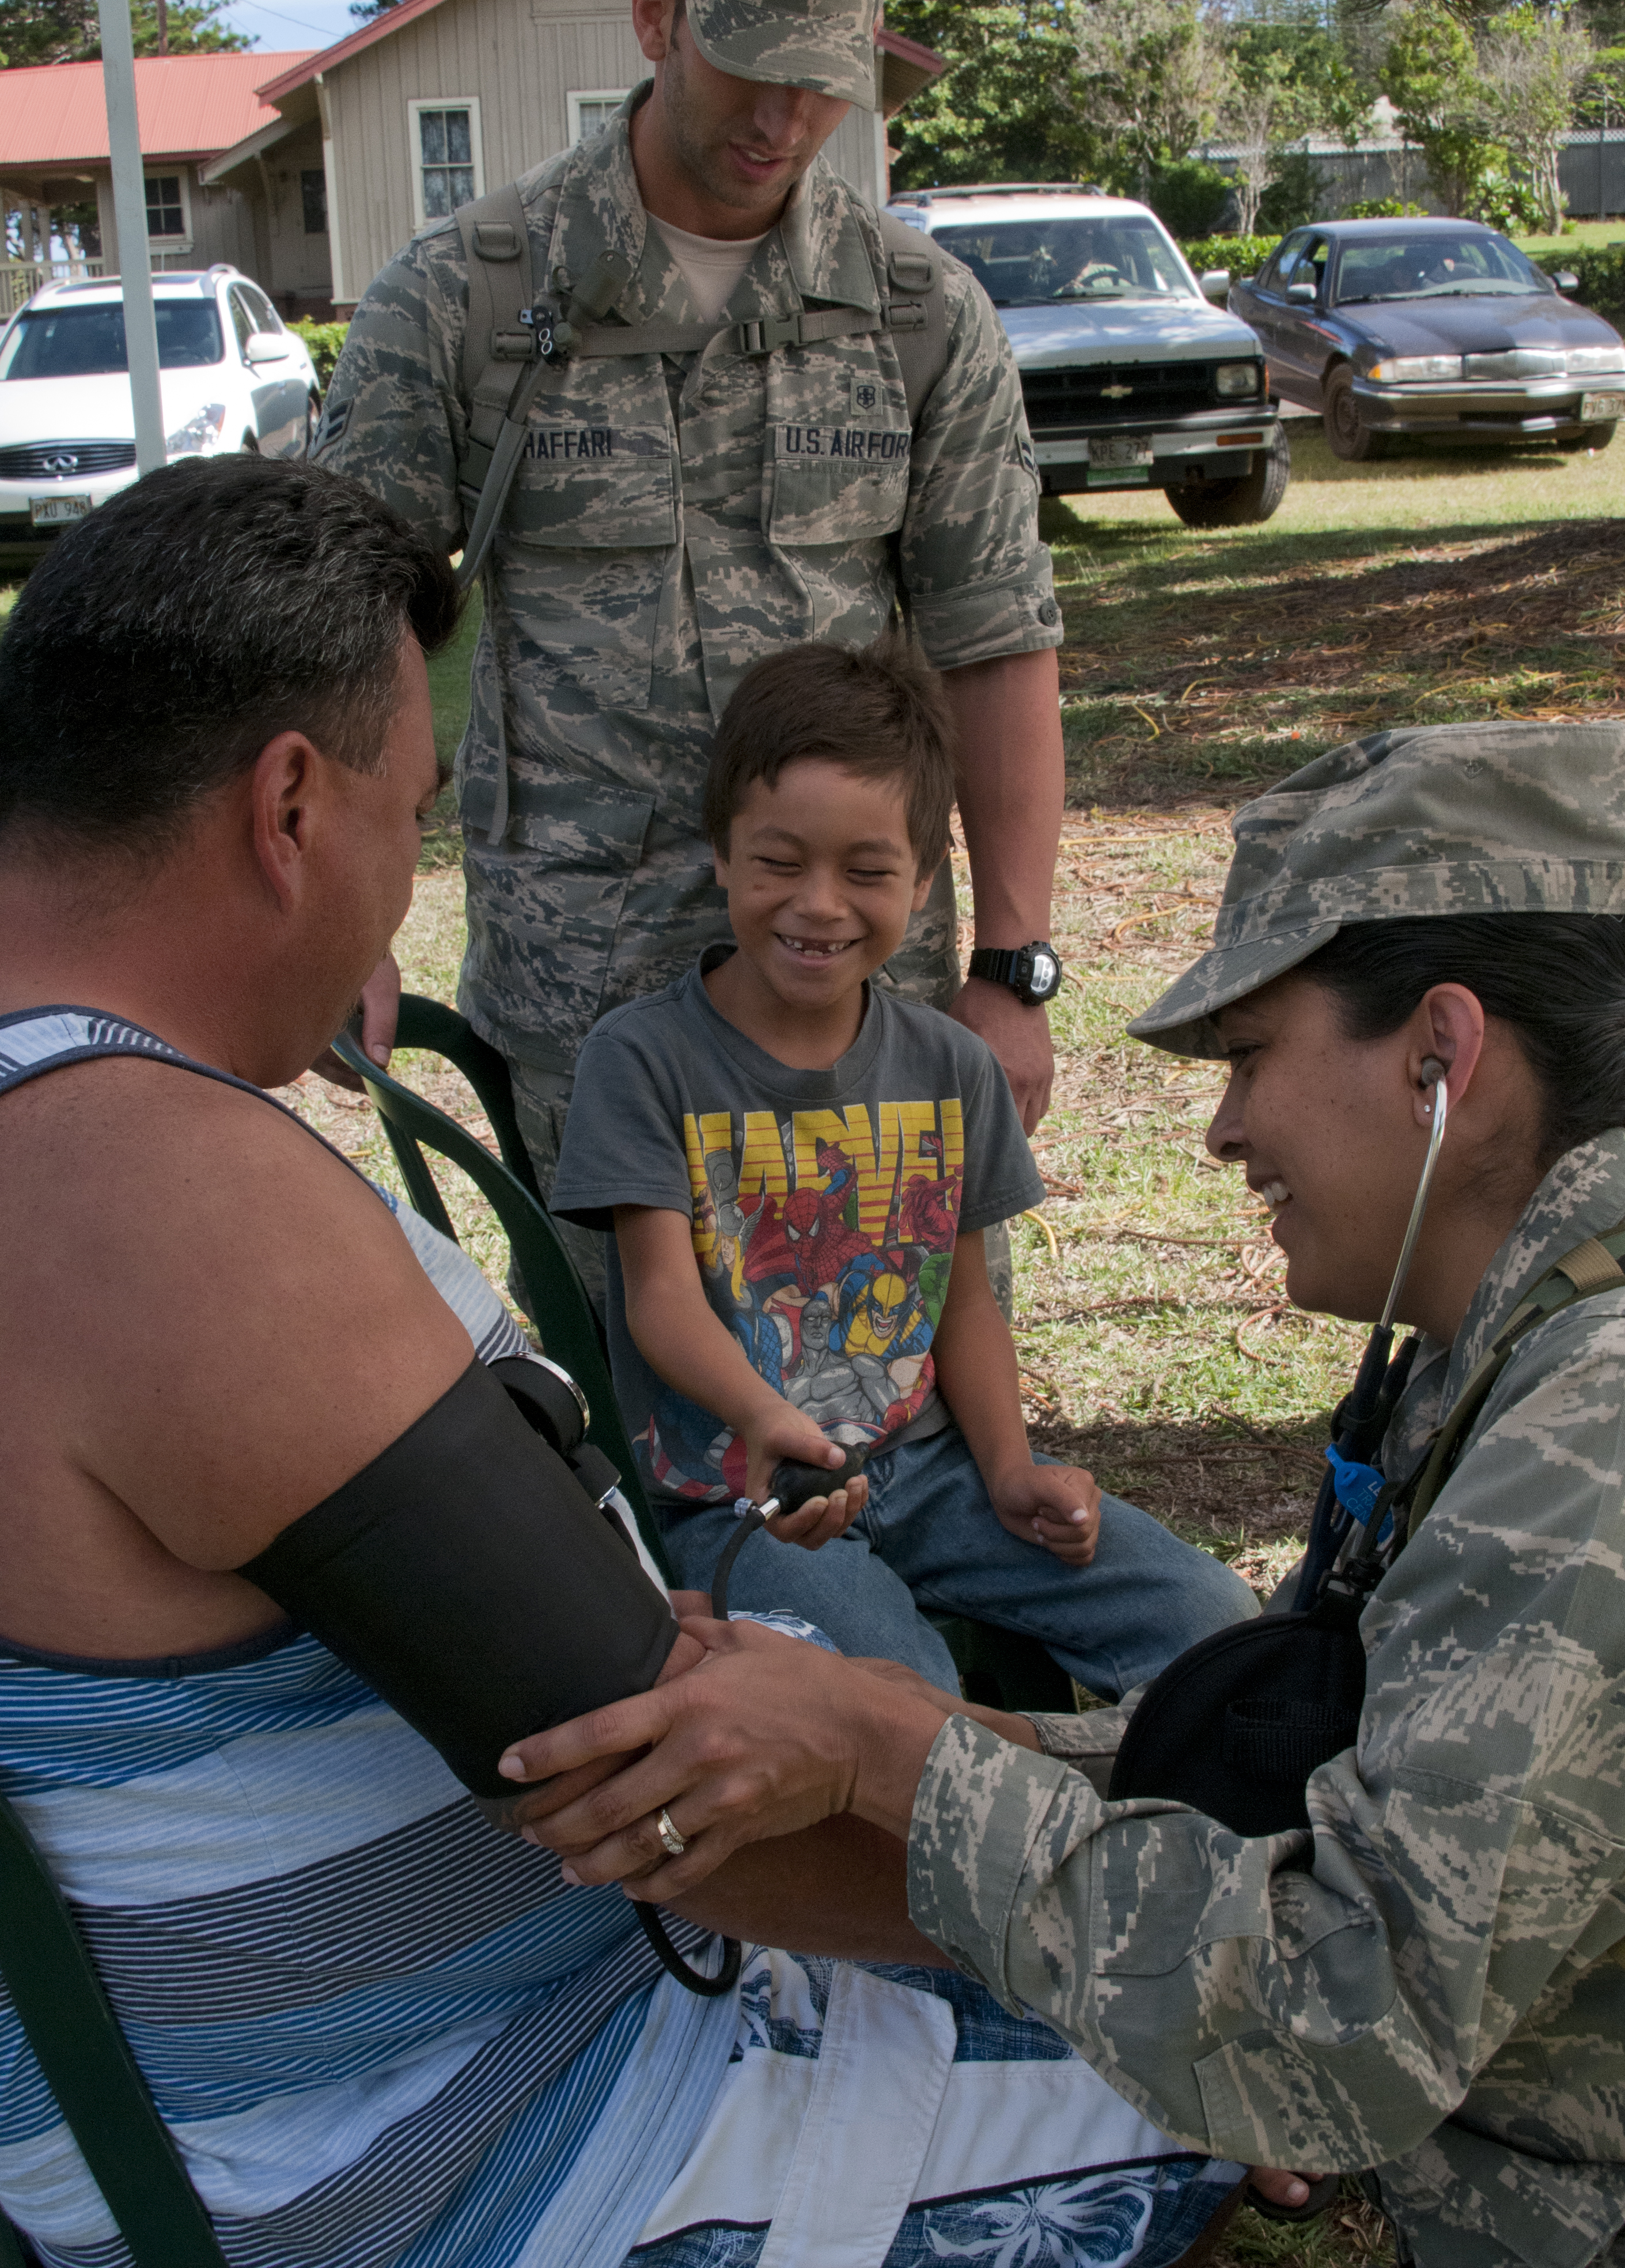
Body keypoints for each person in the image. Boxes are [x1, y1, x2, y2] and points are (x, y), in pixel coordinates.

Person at [0, 456, 1249, 2268]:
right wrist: (1187, 1932)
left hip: (172, 2128)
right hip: (473, 2155)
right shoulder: (152, 1188)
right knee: (1248, 2062)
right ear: (288, 805)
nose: (392, 899)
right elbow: (667, 1797)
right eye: (409, 824)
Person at [508, 717, 1625, 2268]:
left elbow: (1332, 2028)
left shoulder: (1586, 1439)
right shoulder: (1513, 1342)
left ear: (1440, 1056)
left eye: (1247, 1060)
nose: (1222, 1130)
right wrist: (916, 1749)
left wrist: (892, 1754)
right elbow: (1332, 1771)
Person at [315, 0, 1066, 1310]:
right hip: (588, 1001)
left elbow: (996, 638)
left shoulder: (919, 315)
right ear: (657, 20)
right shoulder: (469, 301)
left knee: (879, 1406)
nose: (786, 115)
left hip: (861, 1002)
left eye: (824, 75)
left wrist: (1016, 964)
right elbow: (347, 634)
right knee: (627, 1431)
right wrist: (351, 924)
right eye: (748, 59)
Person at [550, 638, 1256, 1691]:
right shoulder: (642, 1060)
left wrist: (1012, 1469)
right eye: (780, 862)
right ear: (722, 852)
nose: (819, 905)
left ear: (924, 881)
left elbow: (963, 1304)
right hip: (744, 1501)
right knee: (899, 1699)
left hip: (934, 1476)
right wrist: (764, 1424)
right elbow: (657, 1300)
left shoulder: (950, 1066)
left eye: (867, 871)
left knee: (1218, 1622)